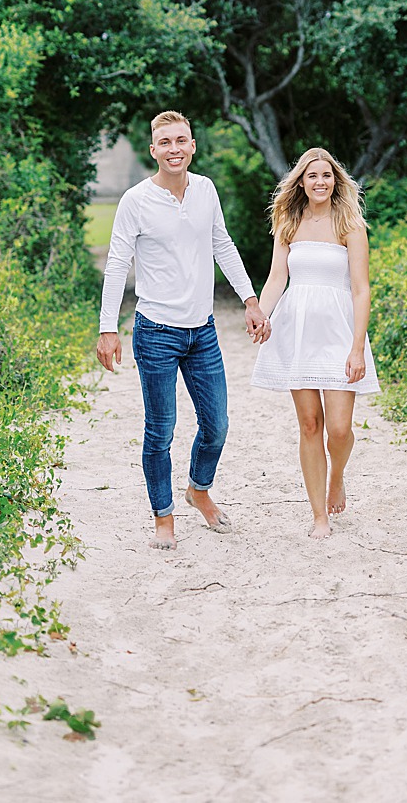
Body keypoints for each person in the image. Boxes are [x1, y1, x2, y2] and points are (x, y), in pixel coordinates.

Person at [97, 110, 271, 550]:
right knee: (161, 431)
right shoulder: (135, 200)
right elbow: (117, 264)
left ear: (192, 146)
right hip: (155, 332)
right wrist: (108, 328)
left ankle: (198, 490)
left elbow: (222, 244)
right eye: (165, 142)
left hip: (202, 332)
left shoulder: (206, 190)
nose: (174, 149)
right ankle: (164, 518)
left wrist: (250, 299)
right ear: (153, 150)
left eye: (181, 141)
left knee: (217, 425)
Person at [251, 147, 379, 539]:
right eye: (312, 176)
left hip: (339, 333)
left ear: (335, 181)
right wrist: (261, 314)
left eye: (326, 175)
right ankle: (319, 515)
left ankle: (336, 477)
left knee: (338, 430)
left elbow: (361, 289)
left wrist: (357, 347)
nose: (320, 182)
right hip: (298, 332)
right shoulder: (288, 221)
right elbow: (277, 278)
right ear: (302, 183)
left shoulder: (350, 224)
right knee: (310, 425)